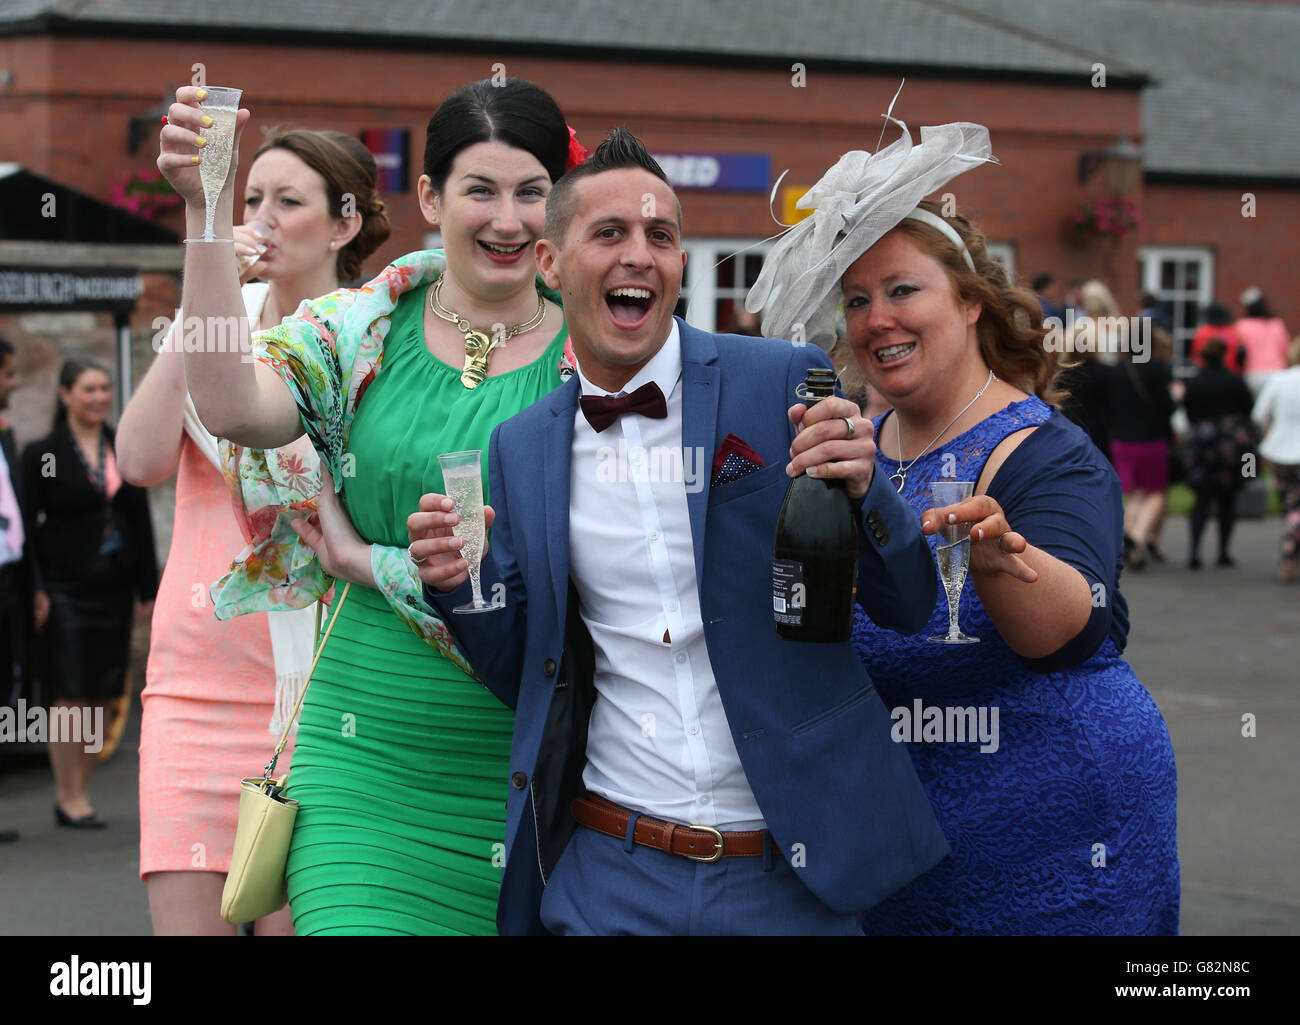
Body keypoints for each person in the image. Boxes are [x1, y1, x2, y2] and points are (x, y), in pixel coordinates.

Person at [408, 127, 947, 936]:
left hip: (790, 874)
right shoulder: (518, 451)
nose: (639, 255)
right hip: (609, 870)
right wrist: (459, 587)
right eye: (610, 233)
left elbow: (910, 605)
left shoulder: (780, 380)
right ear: (551, 265)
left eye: (661, 236)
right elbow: (528, 669)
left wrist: (871, 489)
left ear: (681, 264)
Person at [157, 78, 578, 934]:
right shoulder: (357, 330)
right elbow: (230, 399)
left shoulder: (599, 352)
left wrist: (365, 561)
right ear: (428, 197)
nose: (509, 219)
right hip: (362, 763)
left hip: (535, 770)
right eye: (480, 190)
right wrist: (207, 216)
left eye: (532, 192)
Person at [747, 117, 1179, 934]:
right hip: (901, 851)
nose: (877, 319)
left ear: (971, 301)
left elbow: (1075, 626)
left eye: (904, 289)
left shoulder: (1044, 452)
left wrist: (1000, 561)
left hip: (1061, 841)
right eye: (858, 300)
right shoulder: (847, 447)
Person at [120, 128, 390, 935]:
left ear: (343, 226)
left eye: (289, 201)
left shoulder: (371, 341)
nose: (262, 220)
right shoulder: (215, 317)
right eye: (251, 200)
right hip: (193, 687)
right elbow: (137, 460)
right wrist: (202, 306)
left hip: (320, 693)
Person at [21, 359, 157, 829]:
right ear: (65, 395)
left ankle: (83, 784)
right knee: (71, 693)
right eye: (87, 389)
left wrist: (147, 588)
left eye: (104, 389)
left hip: (113, 588)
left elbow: (140, 521)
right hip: (64, 589)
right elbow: (26, 530)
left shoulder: (122, 444)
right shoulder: (45, 453)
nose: (98, 397)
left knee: (102, 691)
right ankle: (68, 794)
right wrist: (35, 587)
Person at [1, 336, 47, 845]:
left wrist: (32, 583)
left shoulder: (7, 434)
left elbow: (18, 515)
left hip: (9, 578)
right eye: (8, 373)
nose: (13, 383)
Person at [1103, 292, 1176, 569]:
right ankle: (1137, 536)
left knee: (1133, 491)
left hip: (1121, 438)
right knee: (1155, 491)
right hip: (1152, 438)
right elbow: (1167, 405)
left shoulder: (1116, 370)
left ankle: (1128, 536)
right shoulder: (1158, 369)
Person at [1180, 337, 1256, 569]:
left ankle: (1194, 551)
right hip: (1229, 447)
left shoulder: (1195, 381)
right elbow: (1248, 409)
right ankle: (1223, 551)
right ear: (1224, 354)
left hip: (1202, 445)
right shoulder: (1235, 380)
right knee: (1227, 498)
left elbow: (1188, 410)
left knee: (1201, 499)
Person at [1253, 338, 1300, 582]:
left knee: (1289, 503)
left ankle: (1290, 546)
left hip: (1280, 452)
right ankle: (1290, 549)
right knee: (1297, 505)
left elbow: (1259, 415)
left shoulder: (1279, 380)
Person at [1235, 287, 1290, 394]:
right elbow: (1286, 350)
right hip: (1277, 374)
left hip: (1252, 376)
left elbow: (1238, 352)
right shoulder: (1277, 324)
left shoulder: (1241, 326)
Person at [1190, 302, 1245, 373]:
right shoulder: (1232, 332)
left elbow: (1196, 356)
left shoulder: (1203, 332)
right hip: (1229, 373)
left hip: (1207, 373)